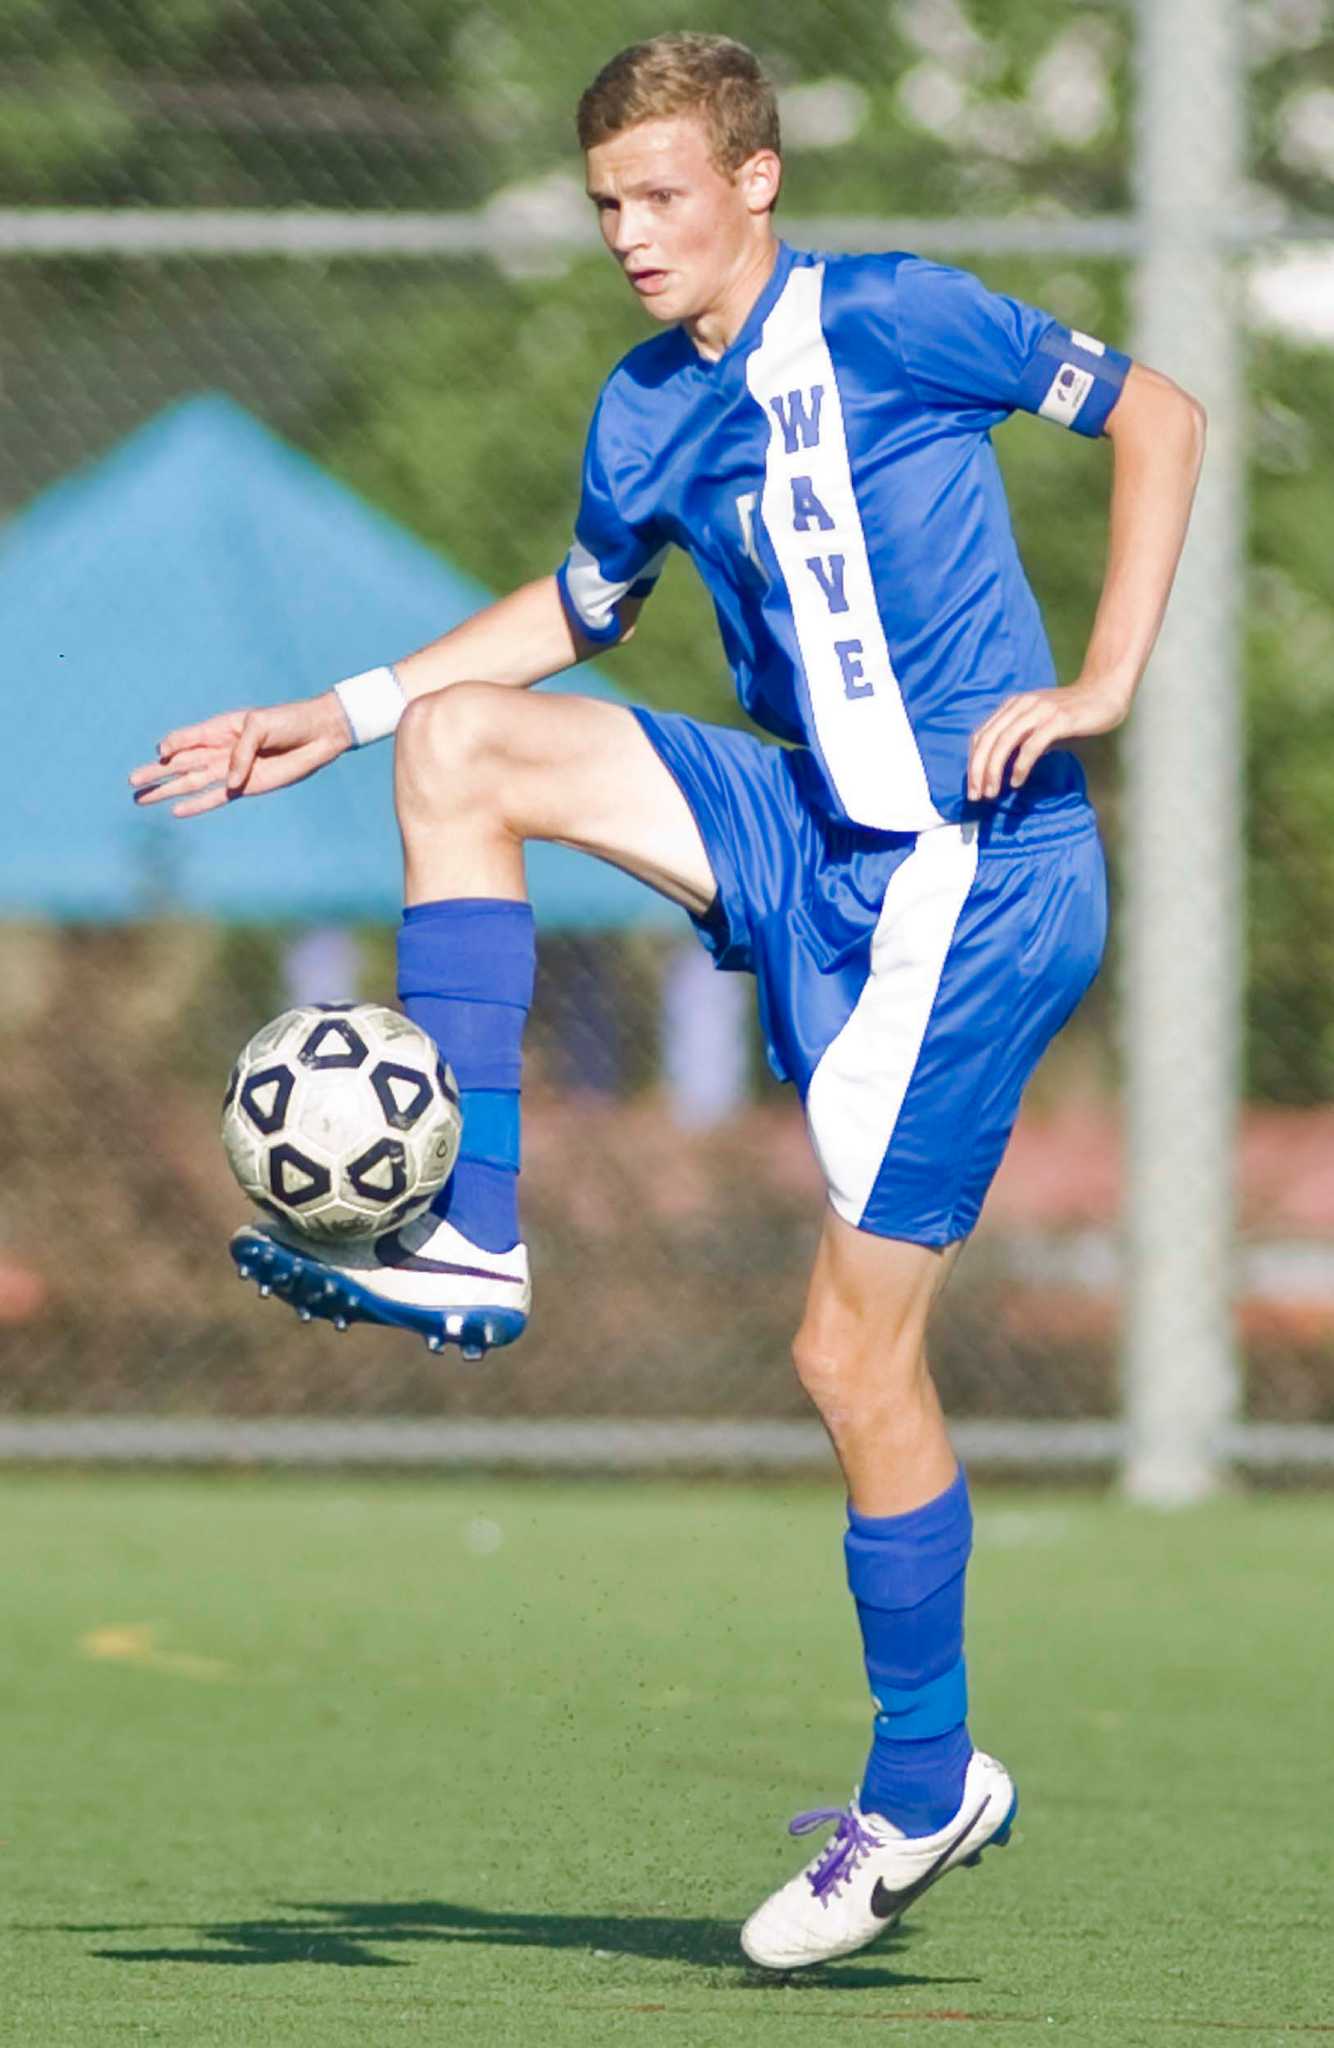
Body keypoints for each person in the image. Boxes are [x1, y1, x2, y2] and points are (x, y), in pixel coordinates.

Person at [130, 32, 1204, 1971]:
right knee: (461, 745)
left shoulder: (894, 315)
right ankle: (467, 1219)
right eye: (606, 200)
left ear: (758, 183)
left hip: (976, 881)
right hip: (802, 830)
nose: (629, 234)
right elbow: (576, 609)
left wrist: (1107, 677)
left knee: (846, 1359)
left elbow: (1162, 414)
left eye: (662, 197)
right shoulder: (643, 410)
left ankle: (923, 1780)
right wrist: (334, 712)